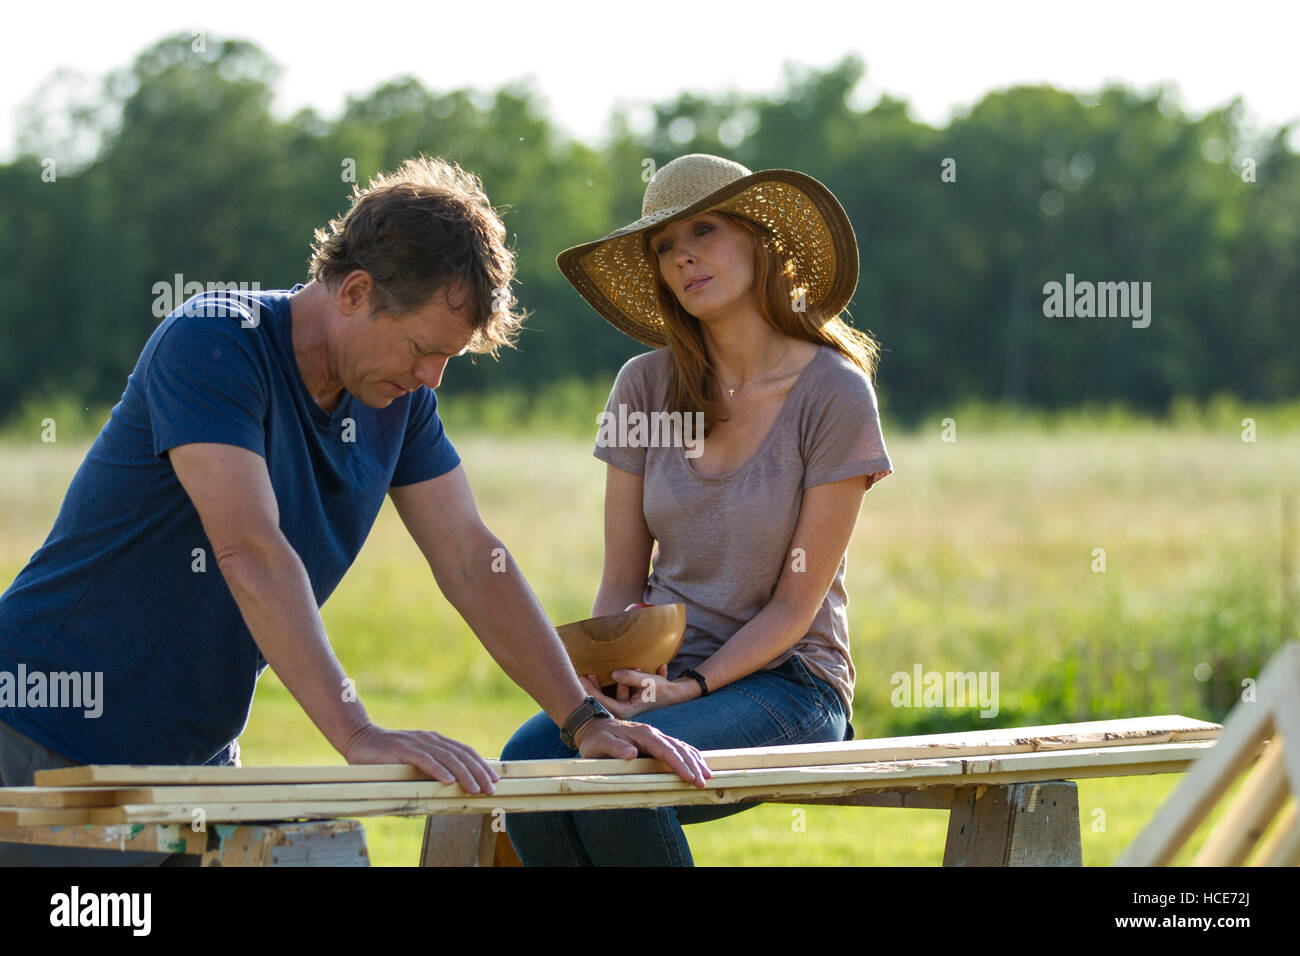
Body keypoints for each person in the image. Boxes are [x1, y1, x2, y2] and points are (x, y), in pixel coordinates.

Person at [0, 156, 709, 866]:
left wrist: (582, 719)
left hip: (195, 762)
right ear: (357, 292)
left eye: (448, 359)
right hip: (40, 740)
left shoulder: (398, 402)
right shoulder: (214, 341)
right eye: (424, 349)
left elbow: (470, 555)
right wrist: (358, 733)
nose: (432, 378)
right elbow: (250, 550)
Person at [501, 153, 894, 865]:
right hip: (656, 674)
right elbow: (623, 576)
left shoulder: (833, 395)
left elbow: (795, 606)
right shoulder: (644, 387)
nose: (684, 258)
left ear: (759, 241)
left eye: (703, 232)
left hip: (788, 685)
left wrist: (684, 689)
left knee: (622, 778)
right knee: (526, 768)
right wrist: (601, 684)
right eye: (665, 247)